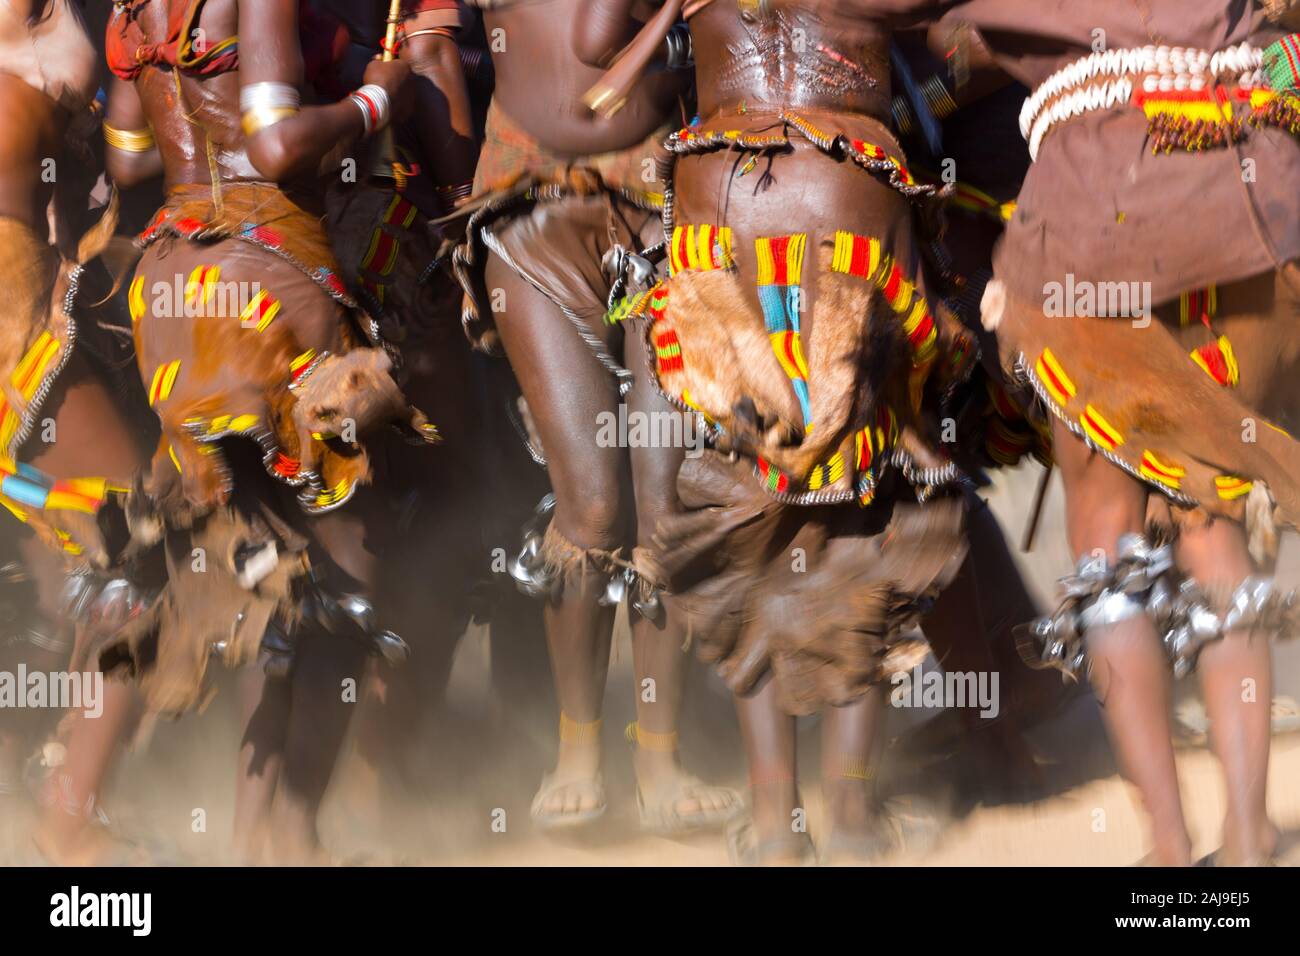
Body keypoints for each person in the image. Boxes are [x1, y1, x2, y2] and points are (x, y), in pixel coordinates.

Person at [940, 0, 1300, 866]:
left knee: (1105, 546)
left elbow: (943, 41)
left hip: (1088, 233)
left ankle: (1170, 850)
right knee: (1215, 525)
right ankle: (1251, 836)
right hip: (1243, 208)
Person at [101, 0, 425, 863]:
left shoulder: (136, 10)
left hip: (171, 295)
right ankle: (294, 827)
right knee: (349, 555)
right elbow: (278, 144)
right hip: (265, 282)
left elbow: (125, 152)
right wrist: (377, 100)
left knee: (263, 553)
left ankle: (255, 832)